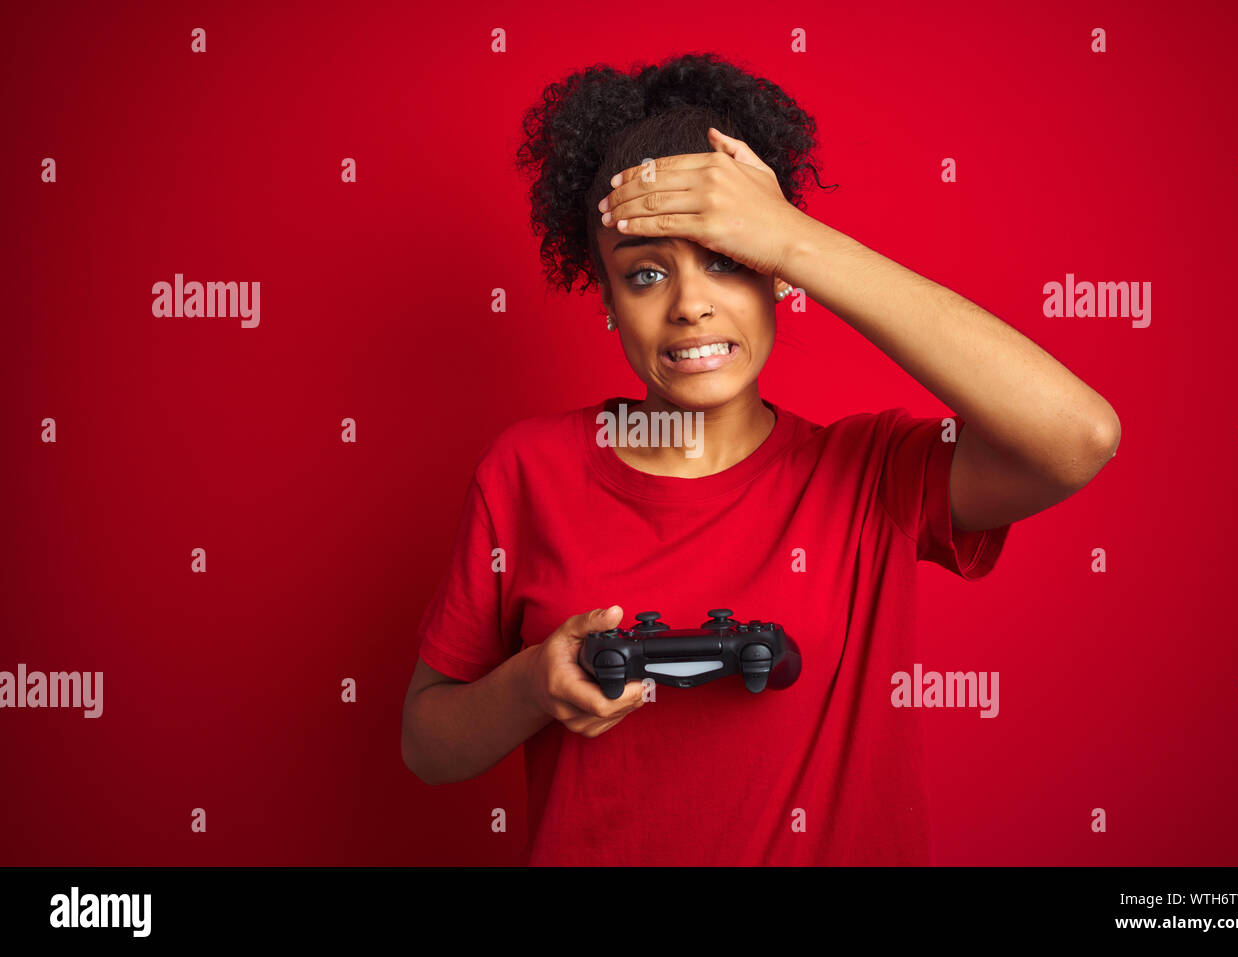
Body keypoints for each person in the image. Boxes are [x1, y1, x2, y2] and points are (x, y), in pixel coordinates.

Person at [400, 52, 1120, 865]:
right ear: (606, 301)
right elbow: (428, 742)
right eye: (644, 274)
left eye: (728, 259)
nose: (691, 304)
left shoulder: (868, 475)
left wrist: (793, 237)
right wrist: (531, 685)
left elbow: (1079, 435)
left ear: (778, 277)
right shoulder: (527, 471)